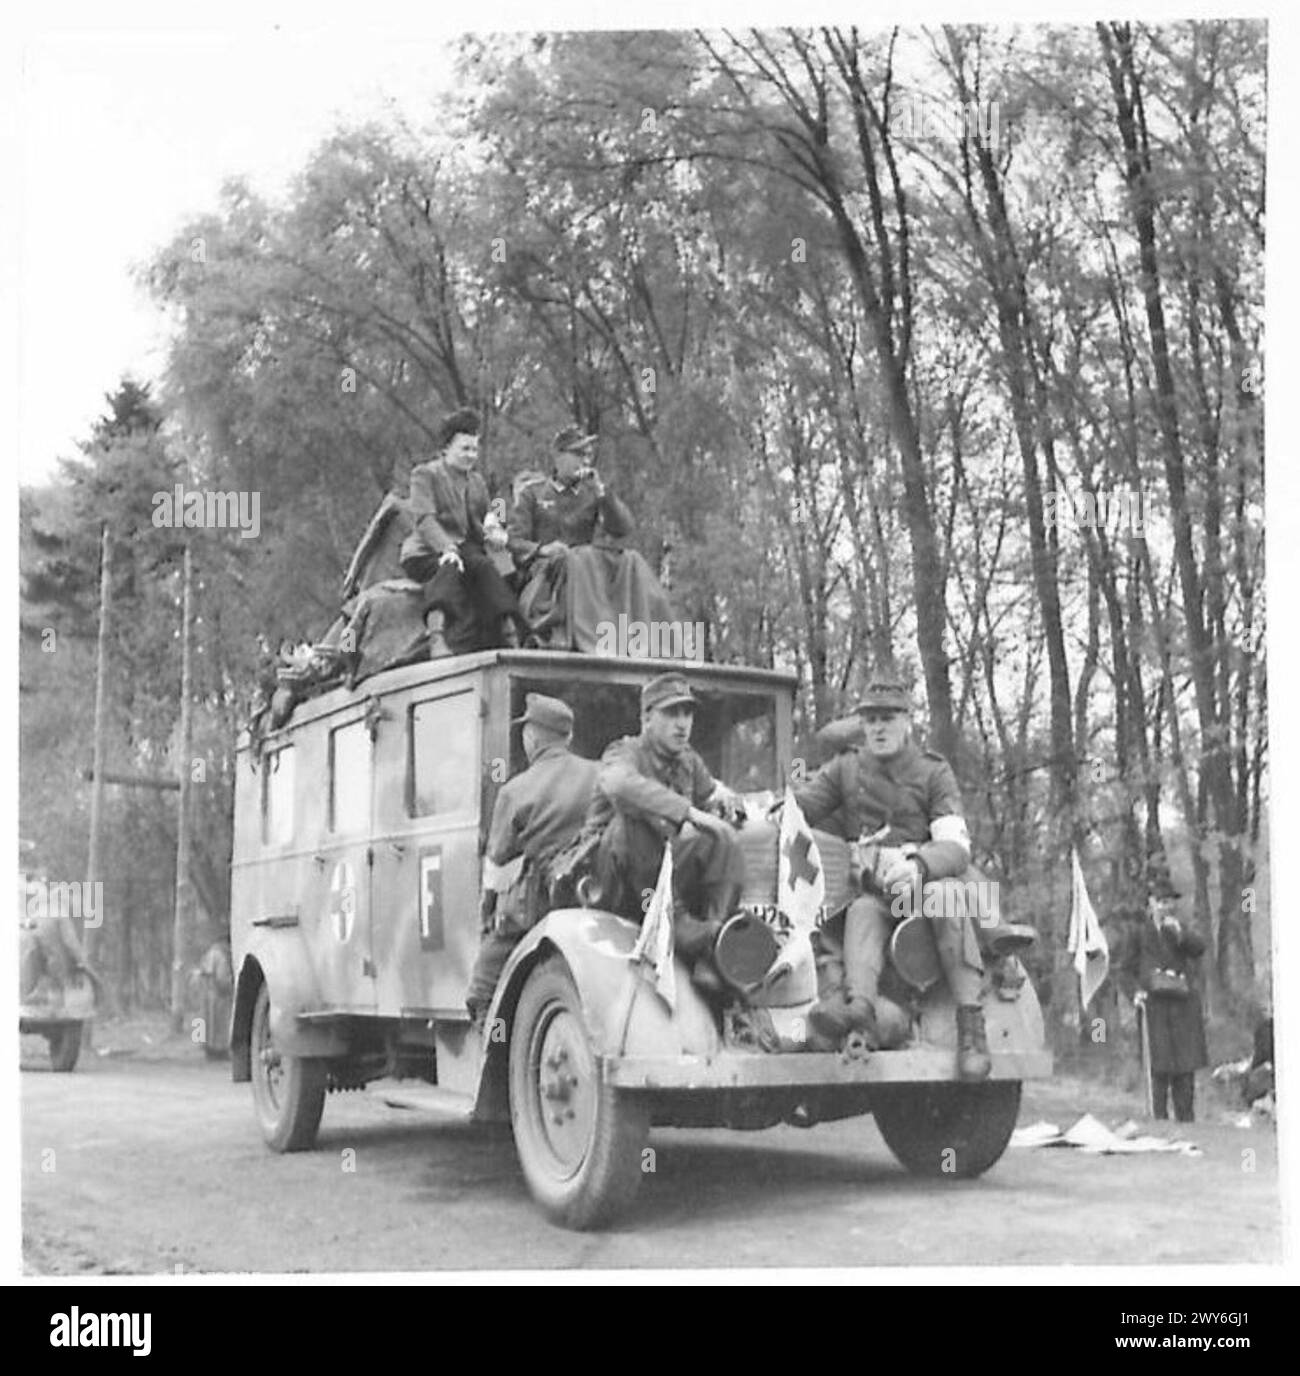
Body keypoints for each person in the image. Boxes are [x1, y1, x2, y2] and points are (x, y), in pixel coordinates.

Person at [791, 677, 995, 1079]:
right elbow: (803, 808)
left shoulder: (933, 772)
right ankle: (860, 1010)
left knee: (948, 895)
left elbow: (955, 846)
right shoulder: (847, 768)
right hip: (877, 893)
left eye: (887, 719)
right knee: (863, 910)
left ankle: (971, 1027)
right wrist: (760, 805)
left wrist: (918, 864)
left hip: (922, 890)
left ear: (906, 721)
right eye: (870, 720)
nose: (879, 729)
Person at [585, 672, 747, 991]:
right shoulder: (624, 751)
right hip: (613, 881)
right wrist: (688, 812)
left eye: (687, 713)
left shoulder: (687, 760)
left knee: (723, 836)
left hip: (664, 875)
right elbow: (618, 784)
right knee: (634, 818)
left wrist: (728, 806)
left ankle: (714, 940)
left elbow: (712, 793)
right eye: (671, 713)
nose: (682, 724)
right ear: (647, 718)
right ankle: (682, 926)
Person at [465, 694, 599, 1024]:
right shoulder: (599, 774)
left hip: (538, 907)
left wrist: (487, 916)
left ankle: (492, 1036)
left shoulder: (515, 790)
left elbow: (496, 869)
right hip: (596, 898)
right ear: (567, 737)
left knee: (482, 987)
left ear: (532, 737)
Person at [508, 426, 672, 651]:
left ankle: (646, 639)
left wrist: (602, 494)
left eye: (586, 455)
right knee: (579, 558)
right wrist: (542, 550)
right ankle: (590, 639)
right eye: (577, 454)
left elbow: (623, 529)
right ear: (558, 456)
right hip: (547, 570)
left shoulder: (591, 492)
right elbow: (515, 541)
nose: (583, 461)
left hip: (585, 566)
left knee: (630, 560)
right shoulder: (532, 493)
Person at [399, 408, 526, 655]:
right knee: (450, 567)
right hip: (426, 550)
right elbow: (424, 519)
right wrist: (446, 548)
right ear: (446, 448)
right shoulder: (425, 475)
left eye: (474, 450)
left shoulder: (476, 482)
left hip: (465, 547)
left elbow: (485, 515)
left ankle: (510, 629)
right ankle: (437, 636)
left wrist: (494, 529)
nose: (471, 456)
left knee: (486, 566)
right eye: (465, 449)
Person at [1131, 860, 1208, 1122]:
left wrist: (1181, 935)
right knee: (1158, 1067)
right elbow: (1123, 967)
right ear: (1150, 904)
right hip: (1154, 1007)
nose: (1166, 906)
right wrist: (1135, 990)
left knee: (1184, 1069)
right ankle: (1158, 1119)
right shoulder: (1139, 933)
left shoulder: (1179, 929)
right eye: (1161, 901)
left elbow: (1199, 948)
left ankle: (1187, 1119)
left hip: (1182, 1006)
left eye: (1170, 901)